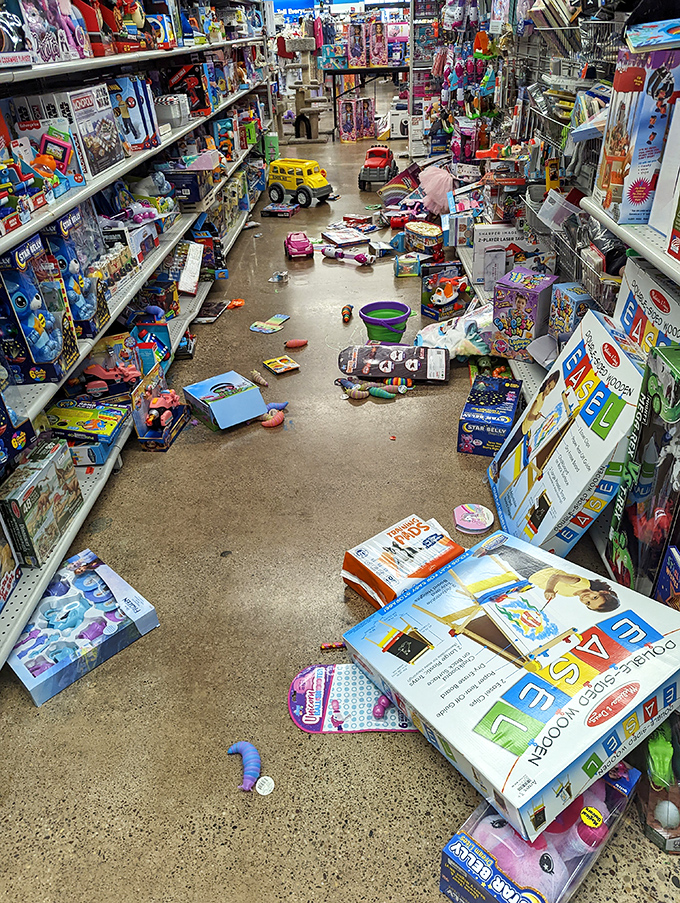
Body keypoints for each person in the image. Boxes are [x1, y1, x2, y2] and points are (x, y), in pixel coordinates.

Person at [489, 371, 559, 483]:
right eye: (549, 387)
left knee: (511, 449)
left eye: (551, 389)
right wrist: (536, 417)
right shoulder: (539, 398)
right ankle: (498, 466)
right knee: (509, 448)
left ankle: (498, 467)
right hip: (523, 427)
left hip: (526, 428)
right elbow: (531, 415)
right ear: (547, 383)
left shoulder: (543, 398)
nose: (548, 391)